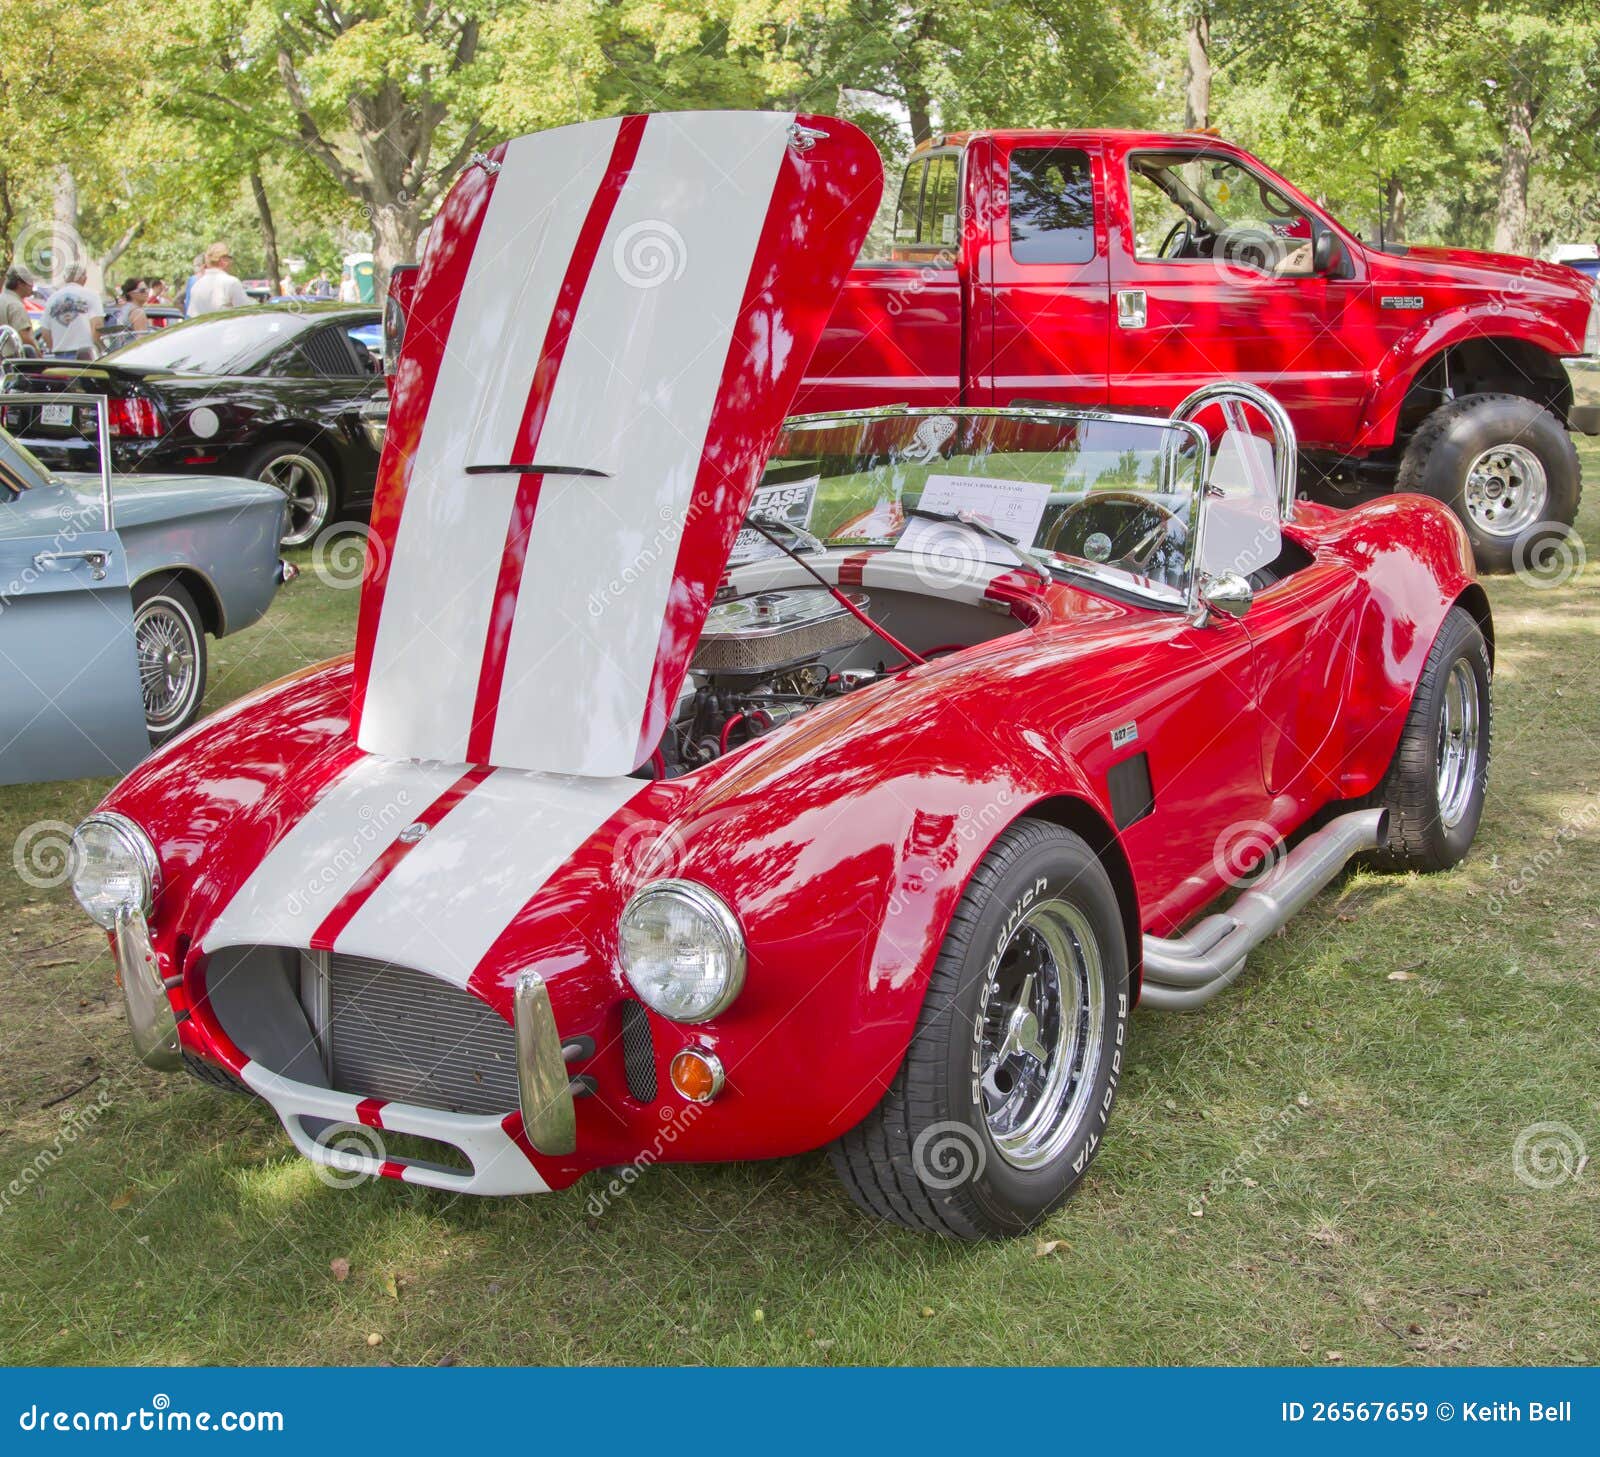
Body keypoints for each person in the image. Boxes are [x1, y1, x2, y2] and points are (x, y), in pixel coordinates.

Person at [43, 262, 102, 358]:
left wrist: (55, 348)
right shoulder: (92, 295)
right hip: (85, 355)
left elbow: (45, 331)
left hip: (59, 357)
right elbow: (97, 326)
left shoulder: (51, 299)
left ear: (65, 278)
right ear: (83, 278)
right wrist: (99, 349)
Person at [187, 243, 249, 316]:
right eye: (229, 258)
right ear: (223, 261)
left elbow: (192, 316)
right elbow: (245, 312)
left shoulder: (197, 285)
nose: (230, 263)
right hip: (226, 327)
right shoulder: (231, 283)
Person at [0, 265, 36, 351]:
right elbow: (25, 337)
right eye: (30, 282)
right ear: (20, 284)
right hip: (11, 359)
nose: (32, 285)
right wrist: (38, 356)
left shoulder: (2, 299)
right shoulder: (15, 305)